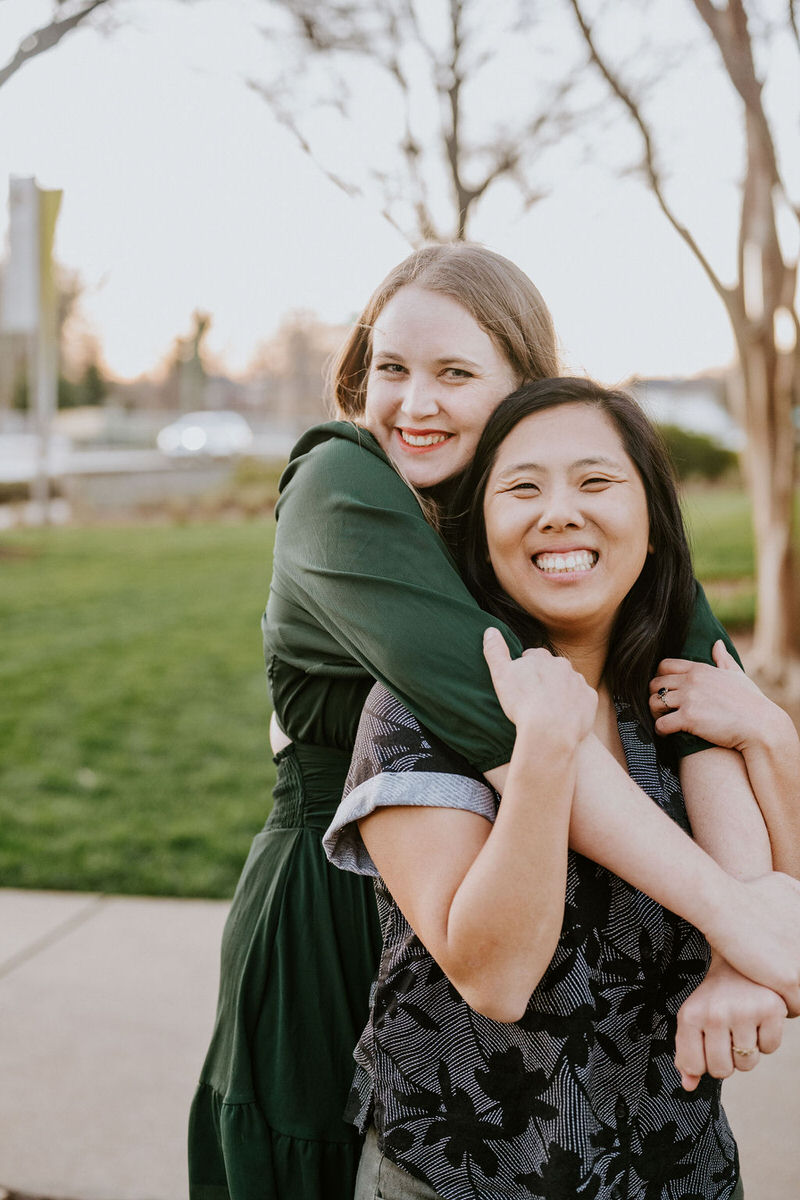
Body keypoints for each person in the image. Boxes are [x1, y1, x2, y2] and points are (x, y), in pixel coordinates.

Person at [188, 245, 800, 1200]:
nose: (412, 403)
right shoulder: (340, 485)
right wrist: (744, 919)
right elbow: (514, 726)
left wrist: (738, 951)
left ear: (526, 388)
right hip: (335, 901)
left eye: (455, 374)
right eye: (390, 367)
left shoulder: (544, 509)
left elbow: (700, 708)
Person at [324, 379, 795, 1200]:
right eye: (523, 487)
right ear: (481, 535)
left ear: (652, 525)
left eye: (596, 481)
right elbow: (494, 980)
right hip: (460, 1176)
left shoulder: (683, 701)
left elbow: (784, 928)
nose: (560, 512)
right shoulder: (419, 709)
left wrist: (774, 738)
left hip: (678, 1172)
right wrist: (542, 755)